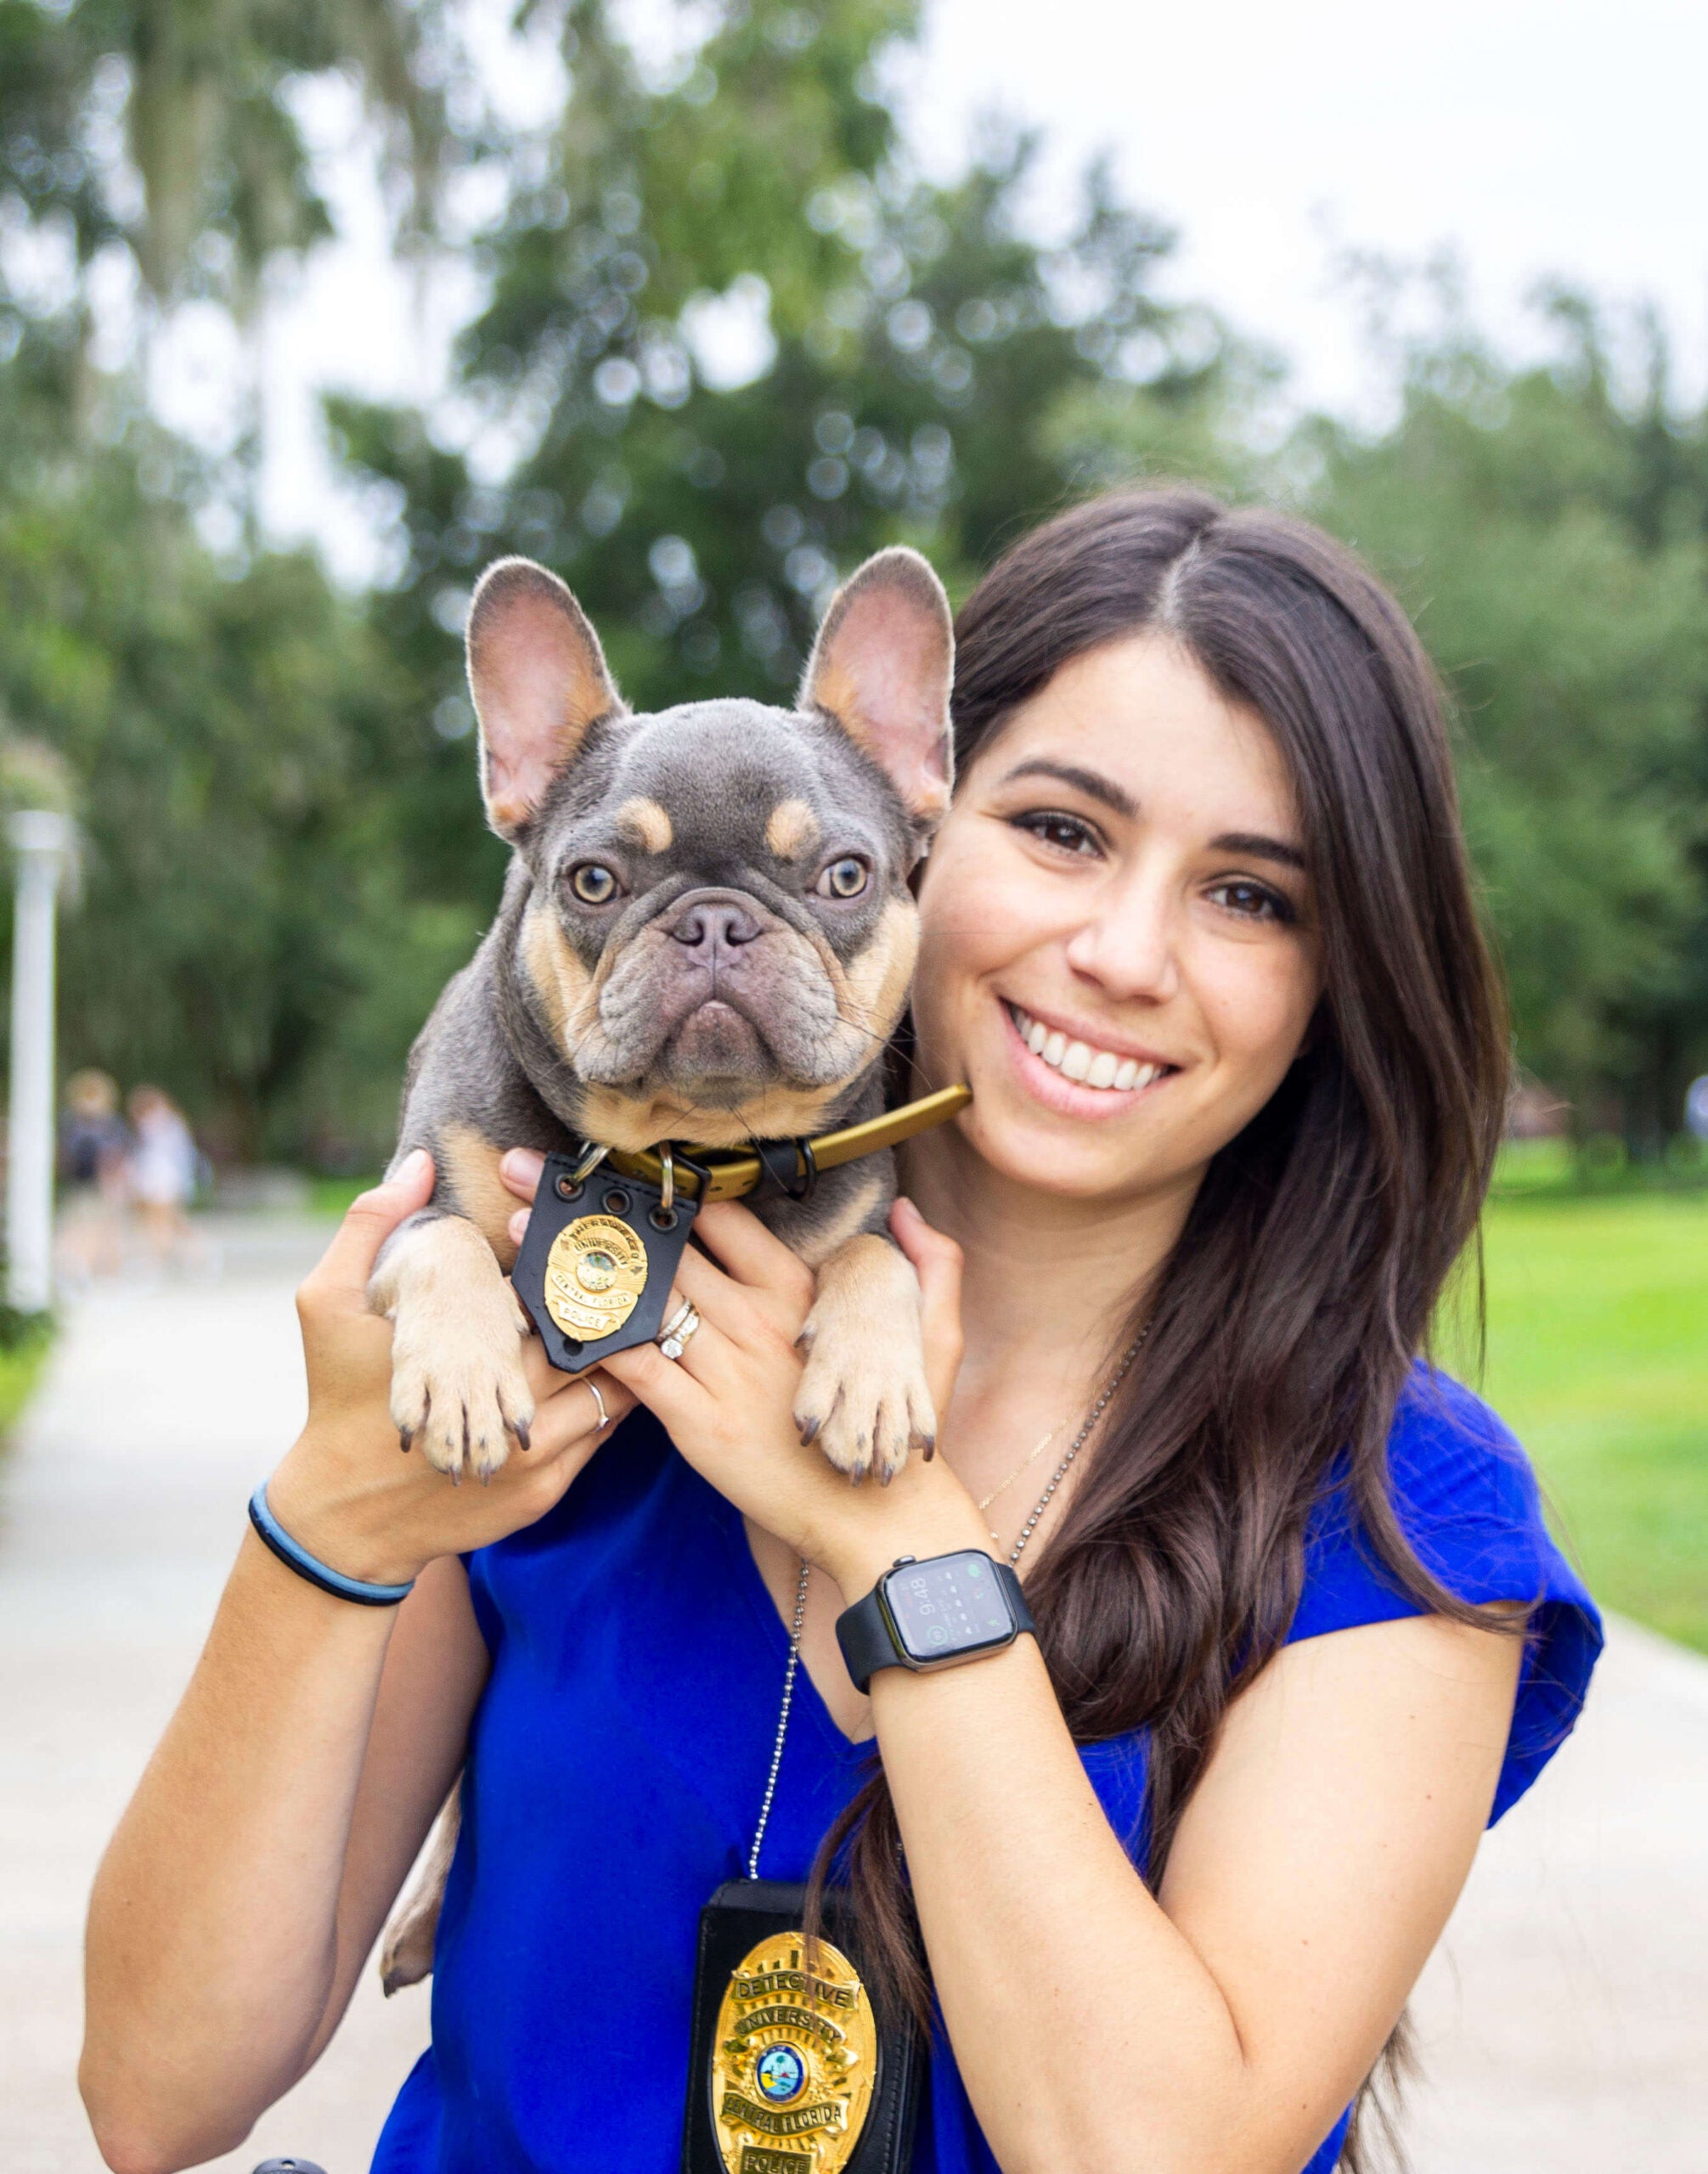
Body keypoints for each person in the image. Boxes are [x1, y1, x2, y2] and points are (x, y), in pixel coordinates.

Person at [80, 489, 1601, 2174]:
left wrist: (898, 1540)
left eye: (1250, 895)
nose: (1120, 950)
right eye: (1064, 832)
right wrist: (335, 1513)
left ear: (1342, 974)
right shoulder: (568, 1355)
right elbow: (158, 2087)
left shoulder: (1397, 1514)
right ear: (926, 806)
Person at [57, 1069, 131, 1281]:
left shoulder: (111, 1125)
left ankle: (106, 1267)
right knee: (82, 1221)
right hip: (81, 1181)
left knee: (105, 1224)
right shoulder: (71, 1122)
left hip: (105, 1181)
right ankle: (84, 1264)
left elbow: (118, 1153)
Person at [125, 1086, 200, 1268]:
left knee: (160, 1220)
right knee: (169, 1219)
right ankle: (192, 1253)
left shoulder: (158, 1125)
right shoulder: (172, 1124)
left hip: (160, 1179)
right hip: (162, 1179)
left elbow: (155, 1157)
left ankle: (164, 1256)